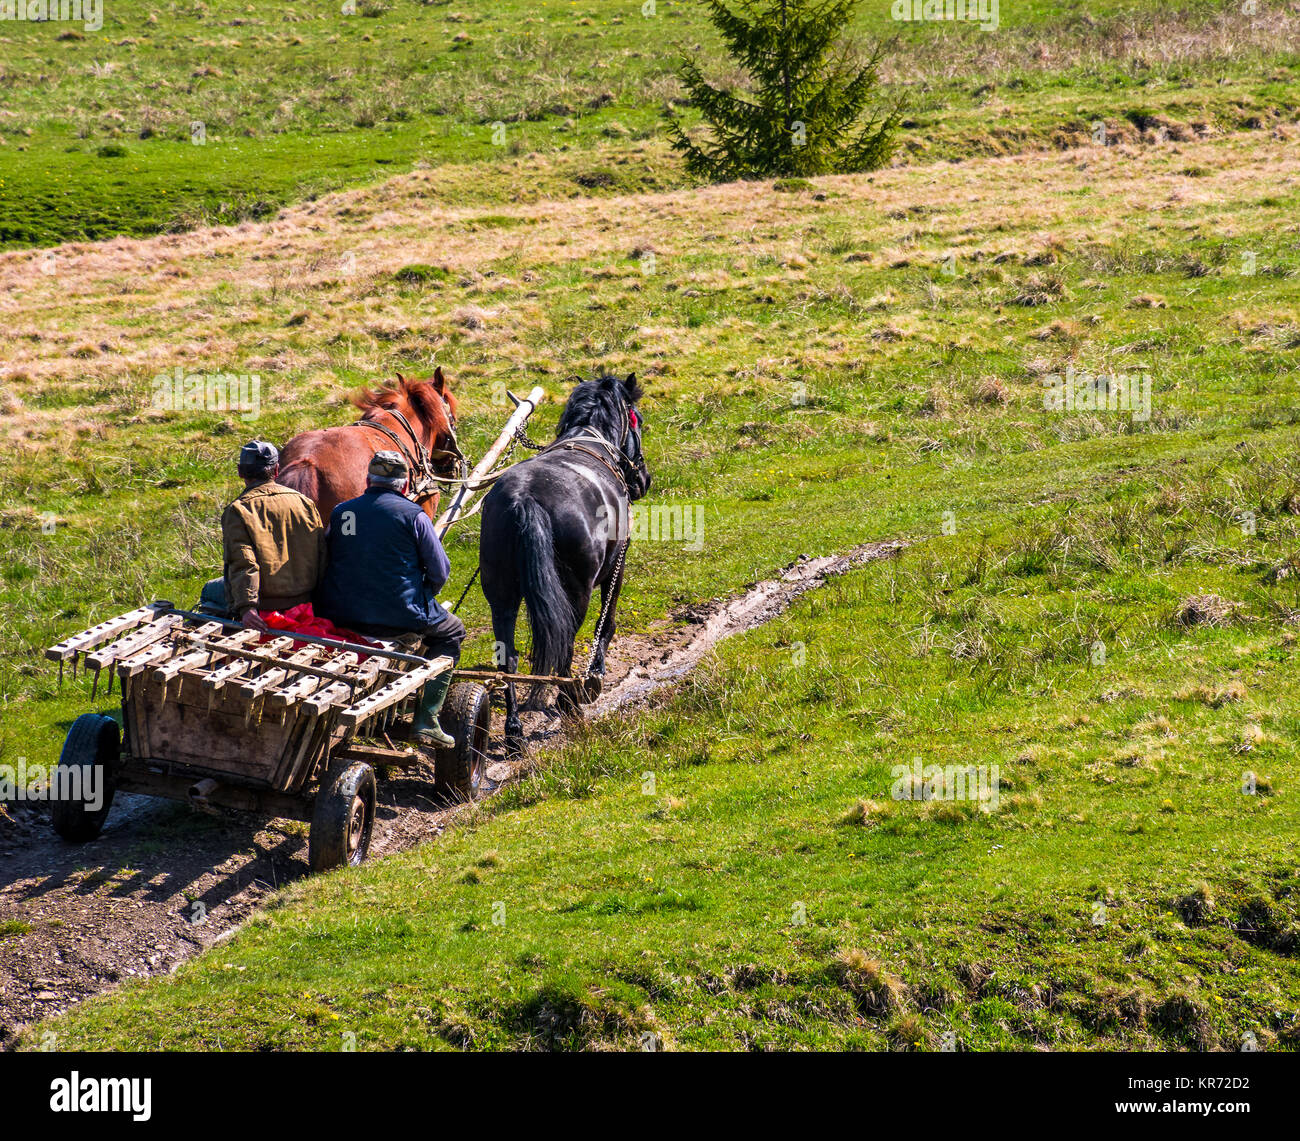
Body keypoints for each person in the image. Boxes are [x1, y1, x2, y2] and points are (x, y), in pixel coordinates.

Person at [315, 450, 465, 749]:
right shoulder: (414, 516)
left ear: (367, 480)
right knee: (453, 633)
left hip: (339, 610)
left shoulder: (344, 512)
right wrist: (423, 595)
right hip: (398, 616)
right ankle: (427, 720)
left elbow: (328, 554)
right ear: (405, 485)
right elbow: (440, 571)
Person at [200, 441, 327, 630]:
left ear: (240, 472)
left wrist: (247, 608)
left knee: (210, 591)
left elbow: (244, 562)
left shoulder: (238, 510)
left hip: (266, 604)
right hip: (305, 599)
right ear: (276, 470)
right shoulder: (304, 502)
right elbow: (322, 554)